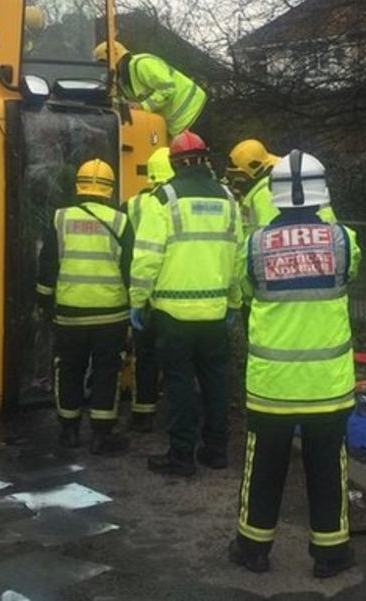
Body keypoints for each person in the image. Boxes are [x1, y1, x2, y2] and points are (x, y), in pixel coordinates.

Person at [229, 150, 361, 579]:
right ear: (322, 194)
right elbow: (350, 275)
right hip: (327, 384)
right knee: (327, 468)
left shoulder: (254, 245)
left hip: (273, 386)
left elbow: (245, 290)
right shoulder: (343, 240)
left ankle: (252, 550)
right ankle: (331, 555)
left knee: (263, 469)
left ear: (275, 195)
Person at [128, 130, 243, 476]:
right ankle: (216, 451)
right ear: (206, 159)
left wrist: (137, 300)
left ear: (175, 164)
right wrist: (234, 302)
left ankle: (182, 457)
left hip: (173, 314)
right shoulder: (228, 198)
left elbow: (147, 257)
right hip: (215, 313)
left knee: (179, 384)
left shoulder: (163, 199)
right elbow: (237, 255)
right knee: (215, 382)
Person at [36, 158, 133, 455]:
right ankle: (101, 435)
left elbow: (48, 264)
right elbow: (130, 268)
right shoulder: (121, 221)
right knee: (107, 370)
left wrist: (44, 301)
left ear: (78, 186)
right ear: (109, 189)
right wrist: (135, 307)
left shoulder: (60, 218)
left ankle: (69, 431)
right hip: (111, 313)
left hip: (70, 313)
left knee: (69, 369)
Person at [124, 147, 174, 433]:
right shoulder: (179, 203)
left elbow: (134, 253)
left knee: (145, 356)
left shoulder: (134, 204)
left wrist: (136, 298)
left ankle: (143, 413)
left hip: (145, 292)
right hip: (173, 294)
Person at [94, 41, 208, 140]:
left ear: (115, 59)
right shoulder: (124, 82)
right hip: (177, 124)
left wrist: (142, 106)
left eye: (105, 65)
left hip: (193, 110)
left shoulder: (142, 64)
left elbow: (168, 89)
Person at [226, 139, 338, 237]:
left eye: (237, 175)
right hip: (325, 240)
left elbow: (271, 236)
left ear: (250, 172)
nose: (233, 181)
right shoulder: (279, 183)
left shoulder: (265, 194)